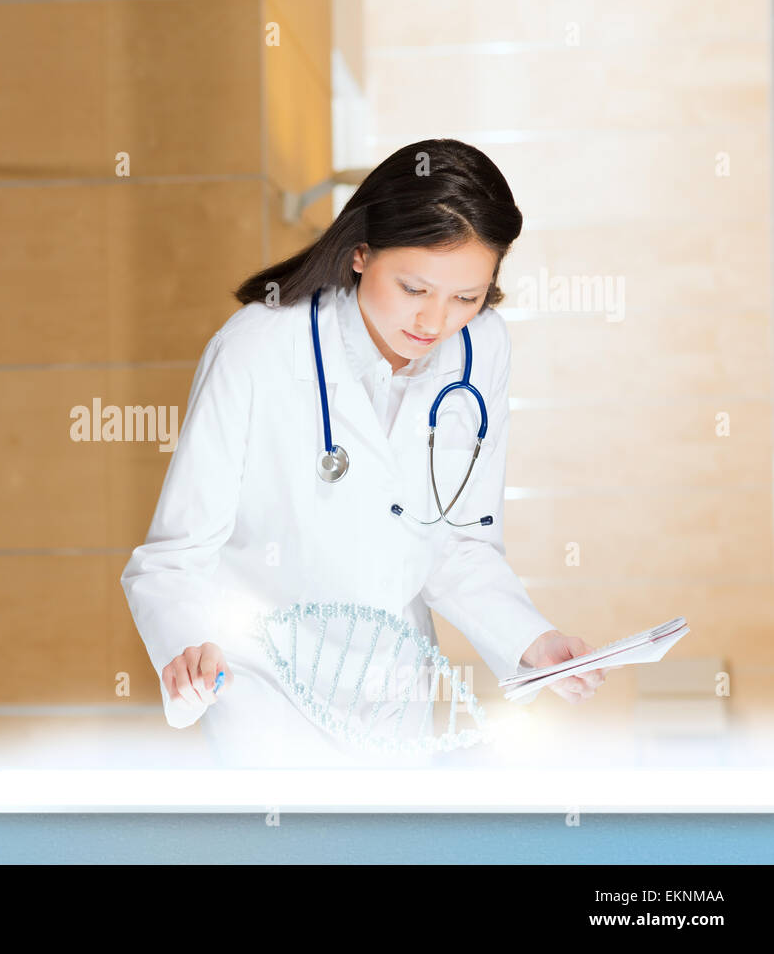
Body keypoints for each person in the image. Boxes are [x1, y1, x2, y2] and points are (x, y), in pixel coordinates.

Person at [120, 138, 605, 768]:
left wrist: (533, 642)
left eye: (467, 296)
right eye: (413, 288)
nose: (436, 322)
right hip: (266, 687)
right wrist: (185, 646)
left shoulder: (481, 348)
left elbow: (456, 542)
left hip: (396, 684)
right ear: (360, 250)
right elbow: (171, 560)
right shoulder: (257, 348)